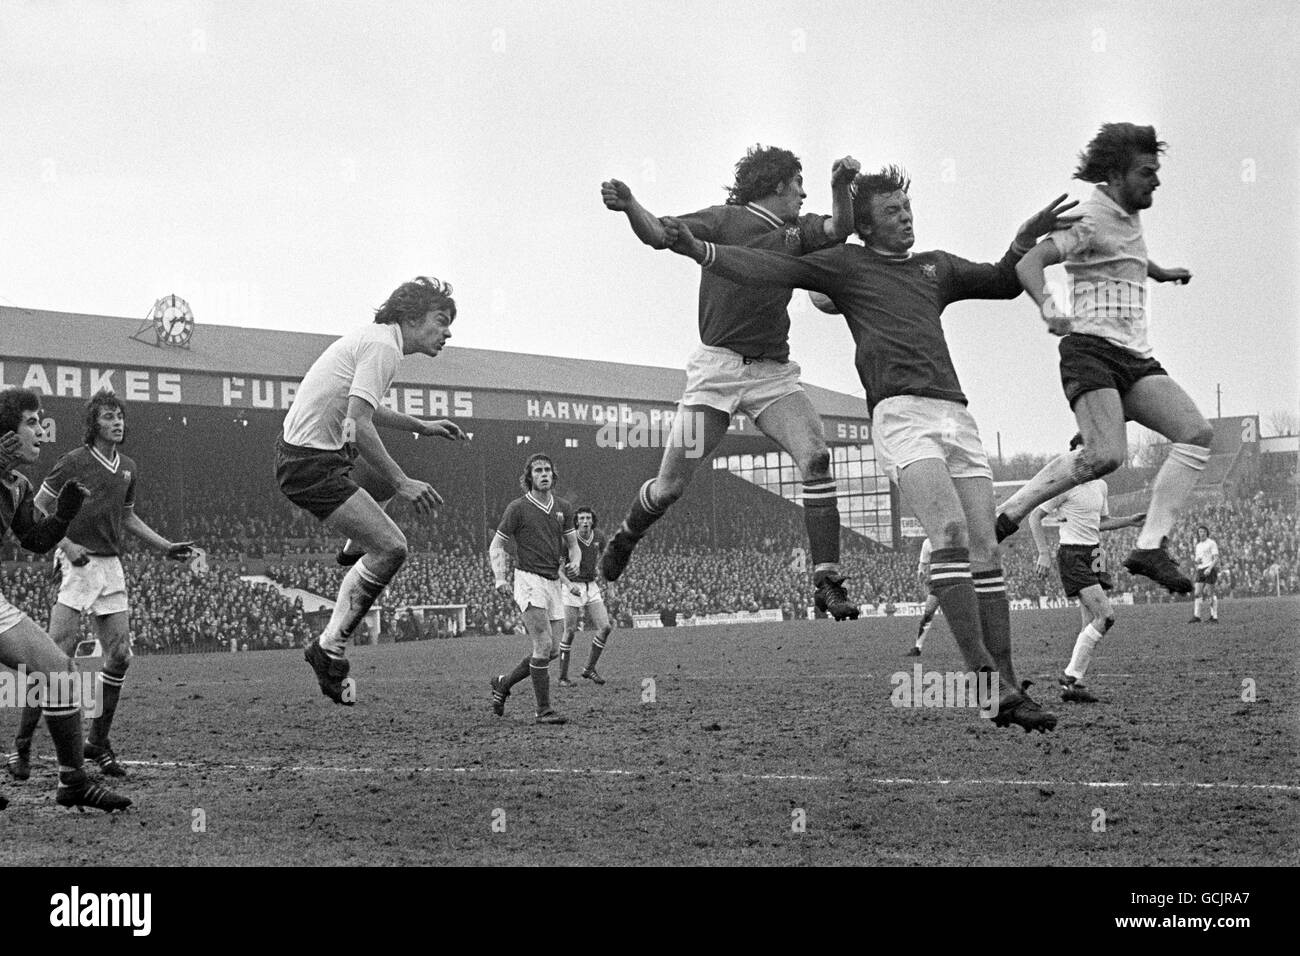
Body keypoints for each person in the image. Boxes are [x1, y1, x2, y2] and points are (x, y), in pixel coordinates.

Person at [659, 165, 1081, 732]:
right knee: (950, 538)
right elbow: (770, 266)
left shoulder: (938, 267)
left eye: (908, 209)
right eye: (892, 212)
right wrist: (705, 251)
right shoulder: (846, 264)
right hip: (901, 416)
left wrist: (1024, 239)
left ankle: (1006, 683)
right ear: (866, 225)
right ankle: (986, 684)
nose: (906, 219)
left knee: (986, 550)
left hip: (957, 414)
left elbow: (1005, 279)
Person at [599, 145, 864, 620]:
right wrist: (632, 206)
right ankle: (627, 535)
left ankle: (827, 581)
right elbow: (659, 234)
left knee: (817, 458)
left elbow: (840, 227)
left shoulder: (797, 231)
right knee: (668, 489)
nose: (805, 195)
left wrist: (841, 184)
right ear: (780, 184)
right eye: (800, 184)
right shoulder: (724, 220)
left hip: (772, 375)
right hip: (716, 372)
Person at [992, 124, 1211, 596]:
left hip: (1135, 356)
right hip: (1091, 350)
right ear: (1115, 174)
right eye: (1146, 172)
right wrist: (1050, 309)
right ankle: (1012, 511)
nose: (1155, 181)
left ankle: (1150, 547)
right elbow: (1028, 263)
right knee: (1107, 455)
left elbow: (1127, 254)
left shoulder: (1129, 216)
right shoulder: (1089, 217)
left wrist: (1162, 272)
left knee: (1196, 434)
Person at [275, 277, 467, 704]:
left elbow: (366, 407)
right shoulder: (383, 347)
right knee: (393, 548)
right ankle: (328, 648)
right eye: (441, 320)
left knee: (378, 475)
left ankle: (351, 549)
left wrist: (422, 426)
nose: (448, 332)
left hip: (319, 454)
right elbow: (360, 424)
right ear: (412, 317)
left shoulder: (377, 341)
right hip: (309, 464)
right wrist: (403, 483)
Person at [9, 389, 197, 780]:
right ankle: (22, 745)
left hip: (111, 565)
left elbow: (128, 518)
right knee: (55, 656)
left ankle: (97, 741)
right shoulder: (72, 462)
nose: (118, 422)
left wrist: (165, 546)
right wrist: (67, 544)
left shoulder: (127, 466)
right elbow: (38, 509)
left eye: (121, 417)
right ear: (94, 423)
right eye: (109, 416)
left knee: (121, 655)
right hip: (77, 561)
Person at [0, 387, 130, 811]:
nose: (43, 430)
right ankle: (23, 750)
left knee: (59, 670)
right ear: (6, 433)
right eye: (32, 422)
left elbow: (35, 540)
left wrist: (63, 516)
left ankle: (72, 781)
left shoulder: (17, 484)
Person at [1027, 434, 1145, 703]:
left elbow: (1101, 522)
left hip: (1095, 553)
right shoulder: (1066, 485)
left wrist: (1129, 521)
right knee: (1106, 616)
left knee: (1088, 623)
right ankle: (1071, 674)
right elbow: (1035, 516)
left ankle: (1074, 686)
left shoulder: (1100, 486)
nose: (1086, 458)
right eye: (1081, 453)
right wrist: (1043, 553)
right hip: (1073, 554)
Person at [489, 454, 581, 724]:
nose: (544, 474)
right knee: (542, 644)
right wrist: (500, 578)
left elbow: (573, 546)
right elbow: (496, 545)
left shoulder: (563, 507)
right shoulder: (517, 508)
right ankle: (543, 710)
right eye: (538, 470)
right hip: (528, 579)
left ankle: (503, 683)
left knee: (552, 650)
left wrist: (574, 563)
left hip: (553, 582)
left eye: (548, 470)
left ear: (554, 475)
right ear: (529, 477)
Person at [557, 507, 615, 687]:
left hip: (591, 586)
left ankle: (589, 668)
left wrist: (611, 585)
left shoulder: (599, 536)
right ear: (576, 521)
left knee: (605, 627)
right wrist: (568, 585)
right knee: (570, 631)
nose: (585, 521)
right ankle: (563, 678)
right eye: (581, 518)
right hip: (572, 587)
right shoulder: (568, 539)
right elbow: (558, 570)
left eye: (588, 518)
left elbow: (608, 560)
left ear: (592, 520)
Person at [907, 537, 941, 656]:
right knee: (928, 612)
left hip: (955, 582)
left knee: (964, 617)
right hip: (937, 584)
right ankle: (917, 647)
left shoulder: (951, 538)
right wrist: (920, 572)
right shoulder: (928, 542)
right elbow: (923, 563)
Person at [1190, 524, 1221, 623]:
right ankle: (1197, 616)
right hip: (1200, 570)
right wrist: (1197, 561)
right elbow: (1197, 560)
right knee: (1197, 593)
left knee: (1209, 594)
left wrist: (1210, 568)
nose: (1201, 533)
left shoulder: (1211, 543)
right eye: (1200, 532)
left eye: (1203, 531)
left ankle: (1214, 617)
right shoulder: (1198, 545)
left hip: (1209, 569)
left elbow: (1216, 559)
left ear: (1207, 533)